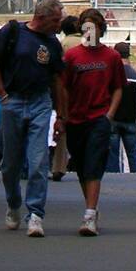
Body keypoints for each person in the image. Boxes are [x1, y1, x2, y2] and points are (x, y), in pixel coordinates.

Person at [0, 0, 66, 237]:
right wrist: (2, 93)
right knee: (10, 164)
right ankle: (13, 204)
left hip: (40, 102)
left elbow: (58, 80)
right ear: (40, 18)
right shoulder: (12, 33)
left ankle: (35, 214)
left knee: (38, 161)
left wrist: (61, 114)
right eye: (55, 20)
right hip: (13, 101)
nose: (58, 25)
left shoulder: (53, 43)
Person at [61, 8, 125, 236]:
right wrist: (63, 115)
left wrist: (110, 114)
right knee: (81, 166)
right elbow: (64, 88)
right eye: (85, 27)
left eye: (94, 28)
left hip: (99, 117)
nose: (89, 31)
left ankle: (89, 214)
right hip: (76, 118)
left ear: (101, 30)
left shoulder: (111, 57)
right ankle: (92, 207)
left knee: (94, 165)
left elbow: (118, 87)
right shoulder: (72, 56)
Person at [107, 40, 136, 173]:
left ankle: (114, 179)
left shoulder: (110, 75)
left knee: (112, 155)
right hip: (130, 121)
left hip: (112, 120)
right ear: (128, 55)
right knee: (133, 155)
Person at [51, 16, 83, 181]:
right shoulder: (85, 42)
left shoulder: (63, 44)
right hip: (84, 91)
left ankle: (59, 167)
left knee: (62, 128)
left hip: (66, 91)